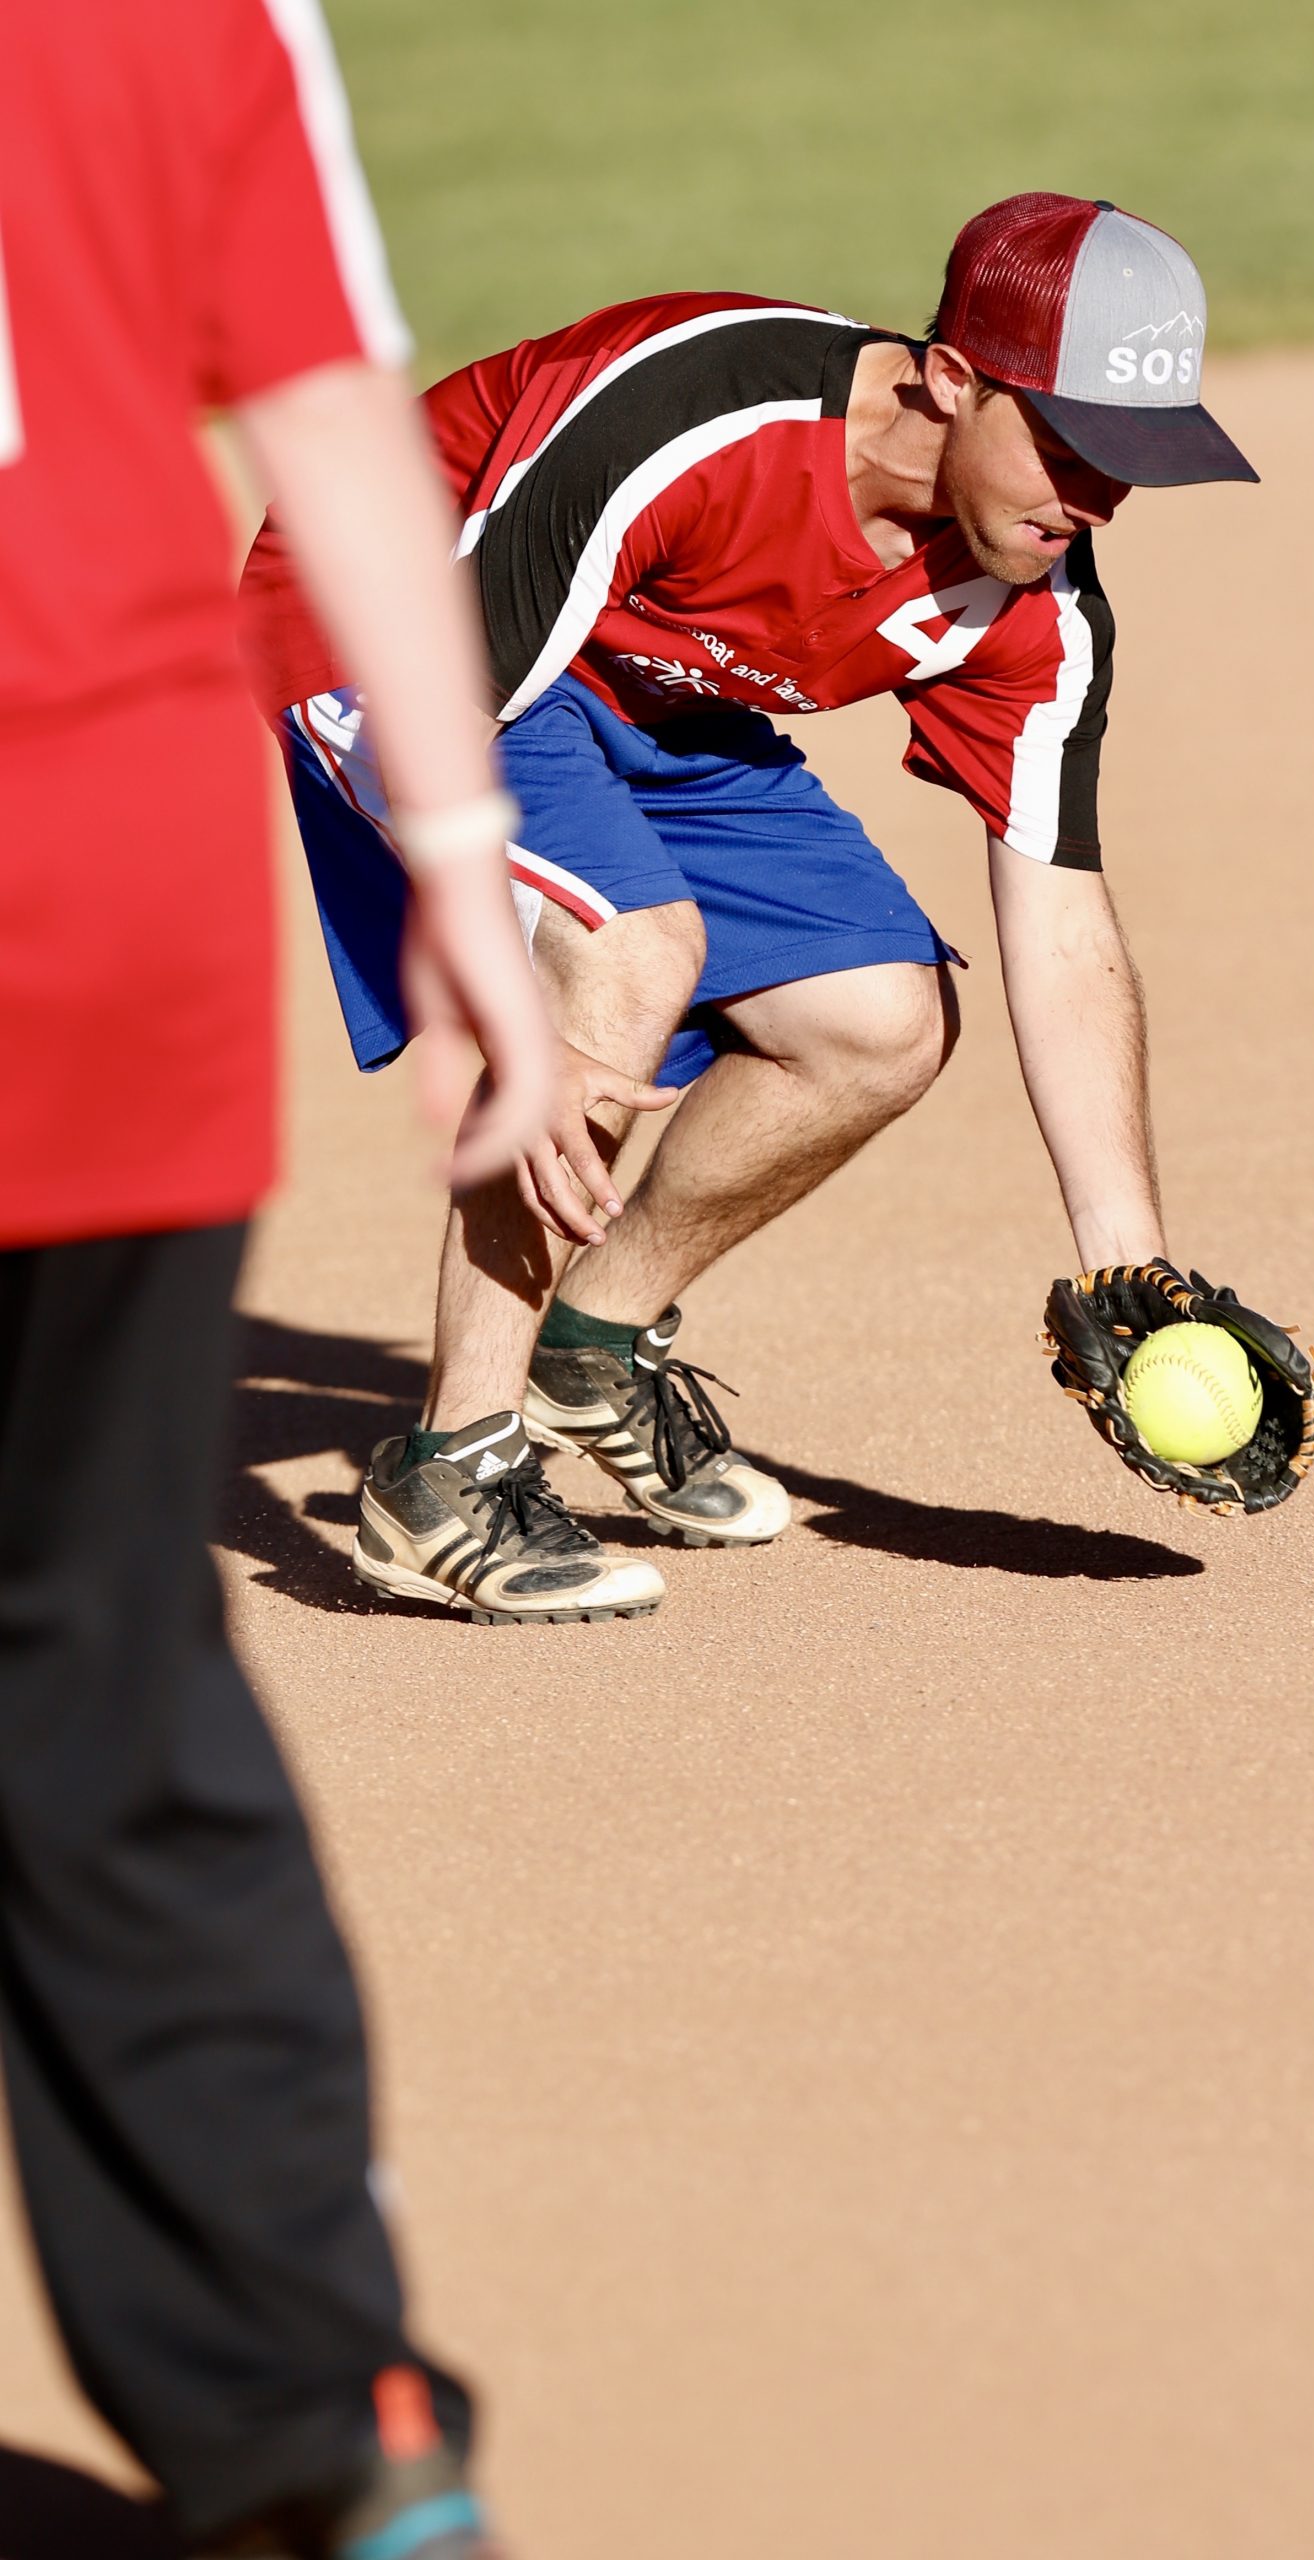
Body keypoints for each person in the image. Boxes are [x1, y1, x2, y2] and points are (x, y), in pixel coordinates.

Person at [0, 1, 606, 2549]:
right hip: (98, 908)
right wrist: (460, 856)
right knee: (105, 1667)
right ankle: (313, 2416)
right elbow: (334, 409)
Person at [240, 193, 1260, 1624]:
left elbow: (1062, 917)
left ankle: (587, 1342)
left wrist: (1126, 1258)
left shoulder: (1039, 598)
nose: (1094, 502)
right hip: (401, 614)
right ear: (952, 382)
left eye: (1134, 465)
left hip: (640, 685)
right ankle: (447, 1476)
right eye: (1073, 448)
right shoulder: (696, 415)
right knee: (632, 957)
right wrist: (518, 1017)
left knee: (881, 1022)